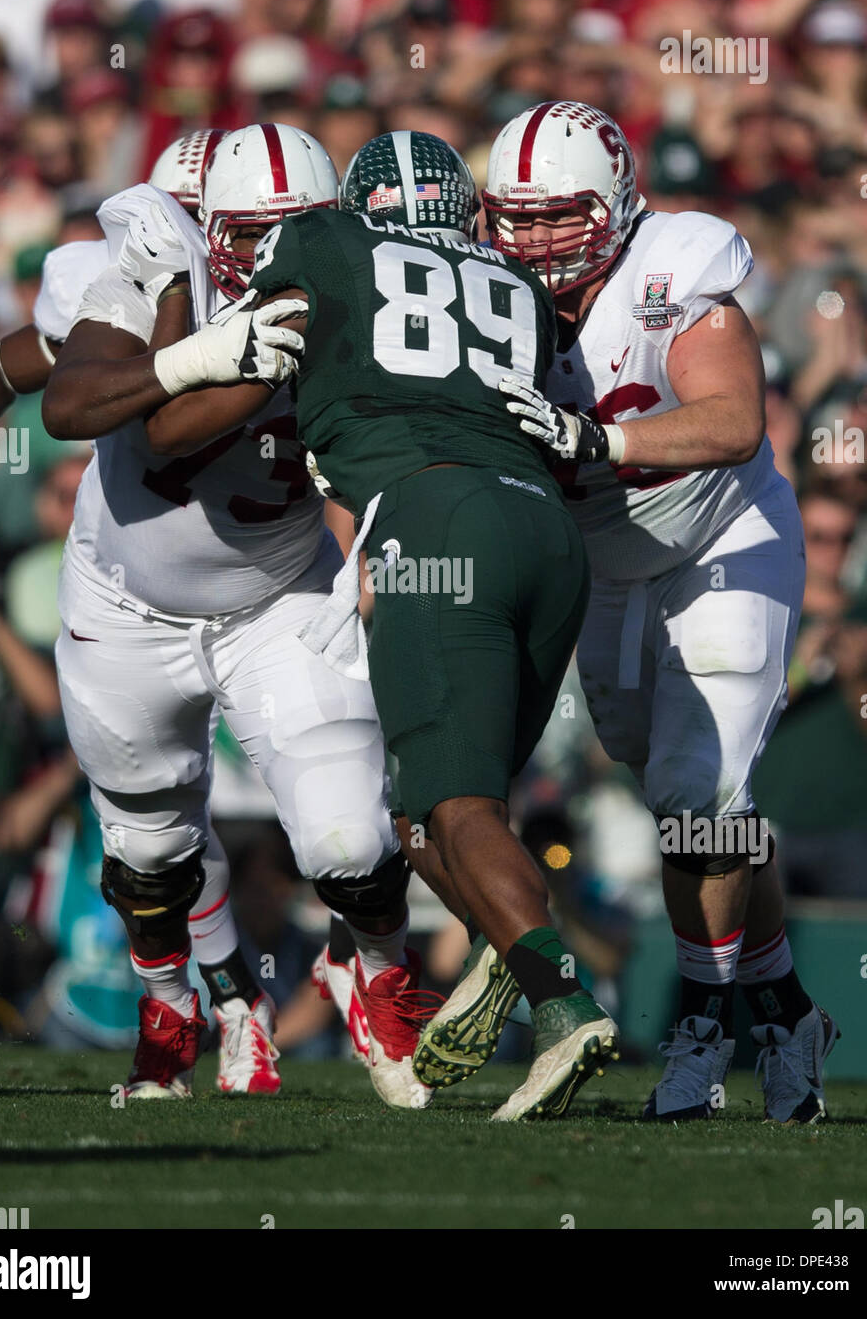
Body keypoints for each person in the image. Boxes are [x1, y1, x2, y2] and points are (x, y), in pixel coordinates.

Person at [238, 128, 617, 1122]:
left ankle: (564, 1002)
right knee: (427, 814)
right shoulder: (520, 285)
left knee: (451, 807)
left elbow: (252, 355)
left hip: (433, 517)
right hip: (548, 530)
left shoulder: (322, 241)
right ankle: (510, 942)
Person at [41, 124, 420, 1107]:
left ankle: (369, 973)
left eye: (299, 231)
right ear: (206, 229)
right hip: (127, 603)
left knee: (347, 839)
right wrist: (193, 356)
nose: (275, 256)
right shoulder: (142, 262)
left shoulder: (372, 295)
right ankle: (178, 1010)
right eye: (253, 234)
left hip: (279, 595)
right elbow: (72, 402)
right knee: (145, 845)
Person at [474, 100, 835, 1124]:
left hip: (724, 541)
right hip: (608, 568)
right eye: (519, 215)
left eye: (561, 214)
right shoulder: (480, 288)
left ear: (619, 205)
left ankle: (704, 1024)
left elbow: (729, 421)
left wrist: (597, 443)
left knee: (691, 793)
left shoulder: (674, 267)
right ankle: (793, 1014)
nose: (537, 238)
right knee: (694, 806)